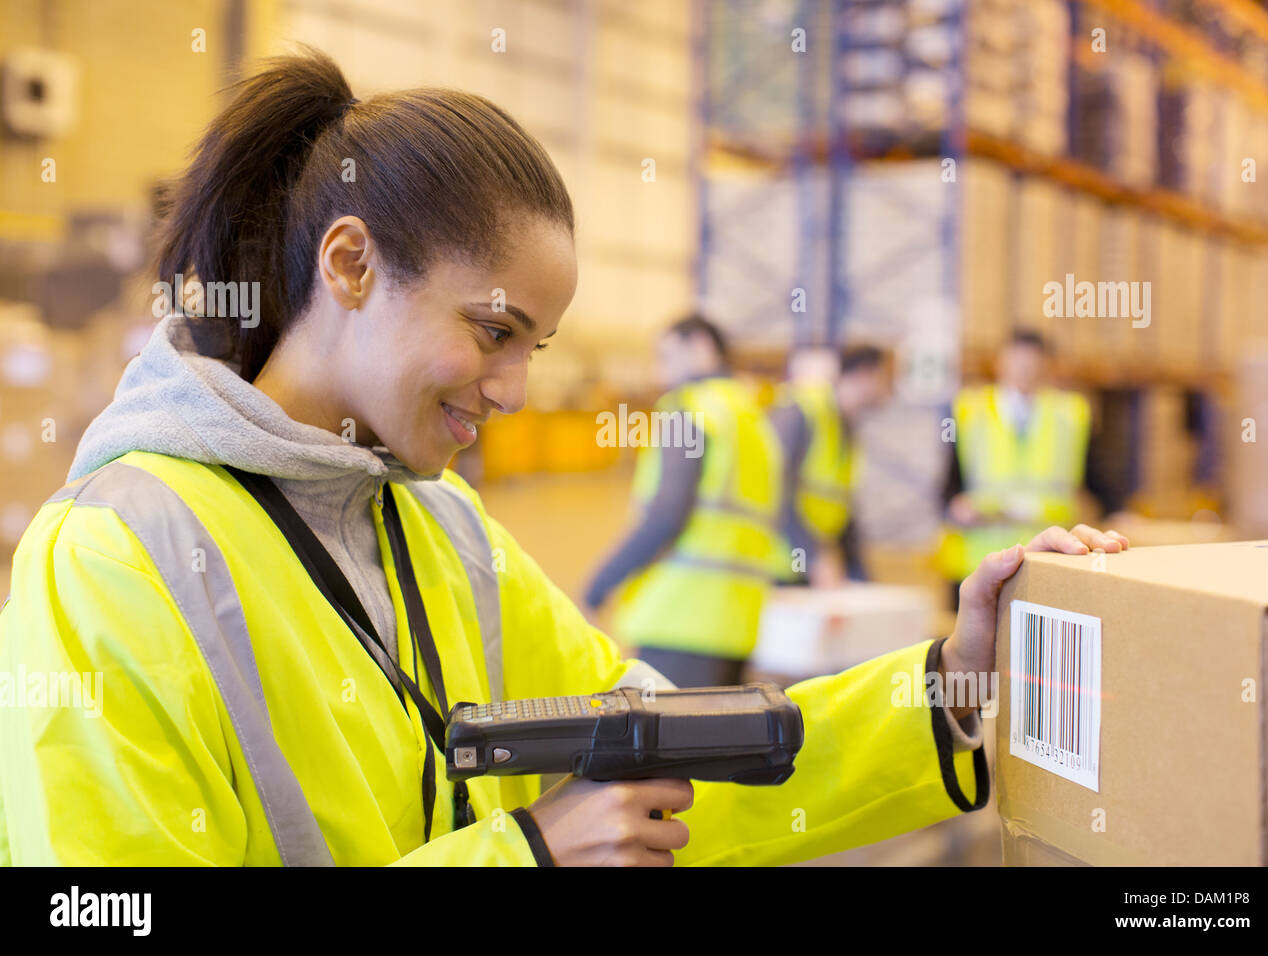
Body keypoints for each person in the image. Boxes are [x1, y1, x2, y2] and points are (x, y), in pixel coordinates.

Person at [0, 50, 1129, 867]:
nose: (515, 389)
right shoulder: (114, 555)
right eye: (493, 332)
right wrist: (527, 854)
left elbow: (674, 775)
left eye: (532, 346)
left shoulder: (449, 540)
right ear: (349, 264)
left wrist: (954, 685)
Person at [583, 315, 783, 688]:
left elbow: (666, 515)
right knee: (716, 743)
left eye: (666, 357)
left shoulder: (691, 409)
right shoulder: (753, 418)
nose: (660, 373)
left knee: (669, 741)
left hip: (681, 618)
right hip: (739, 621)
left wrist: (601, 582)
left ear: (701, 348)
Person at [938, 328, 1116, 606]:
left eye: (1032, 364)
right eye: (1017, 362)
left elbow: (1098, 477)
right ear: (1000, 363)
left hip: (1048, 559)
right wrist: (954, 505)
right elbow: (949, 480)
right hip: (980, 558)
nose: (1024, 372)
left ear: (1047, 366)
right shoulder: (966, 409)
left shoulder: (1071, 413)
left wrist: (1113, 510)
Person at [770, 346, 890, 588]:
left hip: (812, 570)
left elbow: (841, 508)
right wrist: (813, 557)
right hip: (779, 568)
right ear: (864, 375)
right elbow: (775, 489)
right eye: (886, 378)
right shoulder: (803, 411)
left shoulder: (847, 428)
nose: (890, 390)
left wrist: (858, 574)